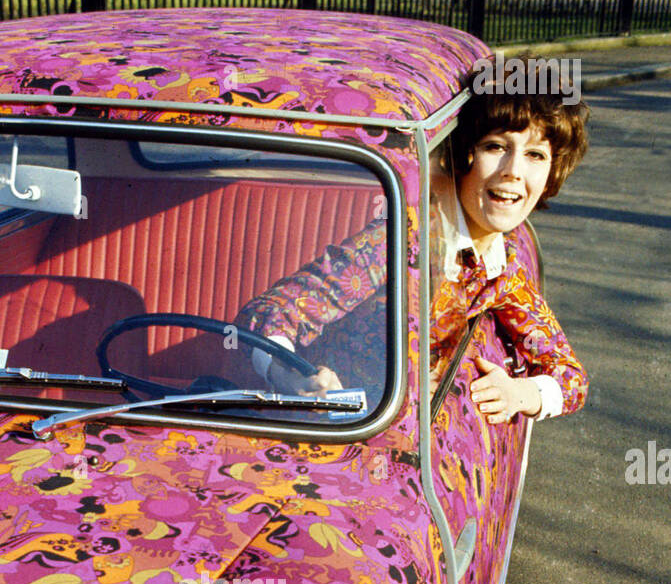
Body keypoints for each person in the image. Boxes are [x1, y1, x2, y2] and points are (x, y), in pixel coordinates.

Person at [236, 64, 590, 426]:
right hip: (335, 424)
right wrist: (291, 377)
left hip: (410, 434)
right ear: (466, 153)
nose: (513, 170)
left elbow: (571, 376)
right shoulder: (403, 239)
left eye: (535, 155)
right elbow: (268, 314)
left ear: (552, 171)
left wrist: (522, 394)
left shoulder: (504, 270)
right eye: (496, 146)